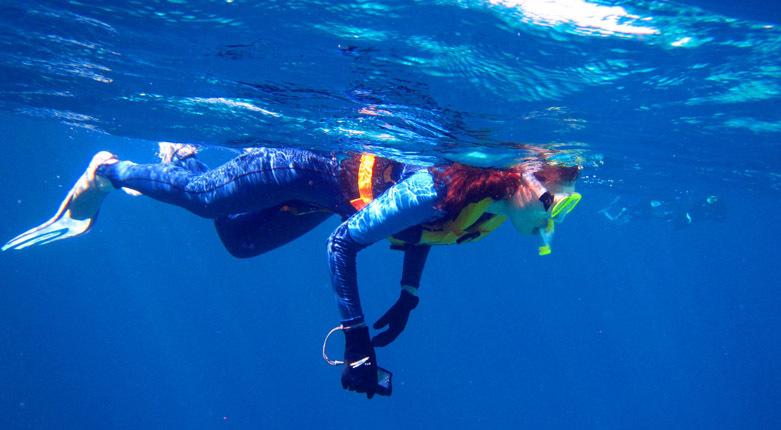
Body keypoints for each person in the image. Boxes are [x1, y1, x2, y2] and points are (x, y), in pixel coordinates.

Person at [3, 142, 582, 398]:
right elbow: (342, 246)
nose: (554, 221)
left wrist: (409, 293)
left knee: (239, 240)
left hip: (324, 198)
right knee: (208, 200)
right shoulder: (440, 189)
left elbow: (428, 232)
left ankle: (180, 157)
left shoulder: (486, 216)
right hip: (309, 169)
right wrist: (355, 337)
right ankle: (113, 169)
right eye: (557, 203)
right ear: (525, 178)